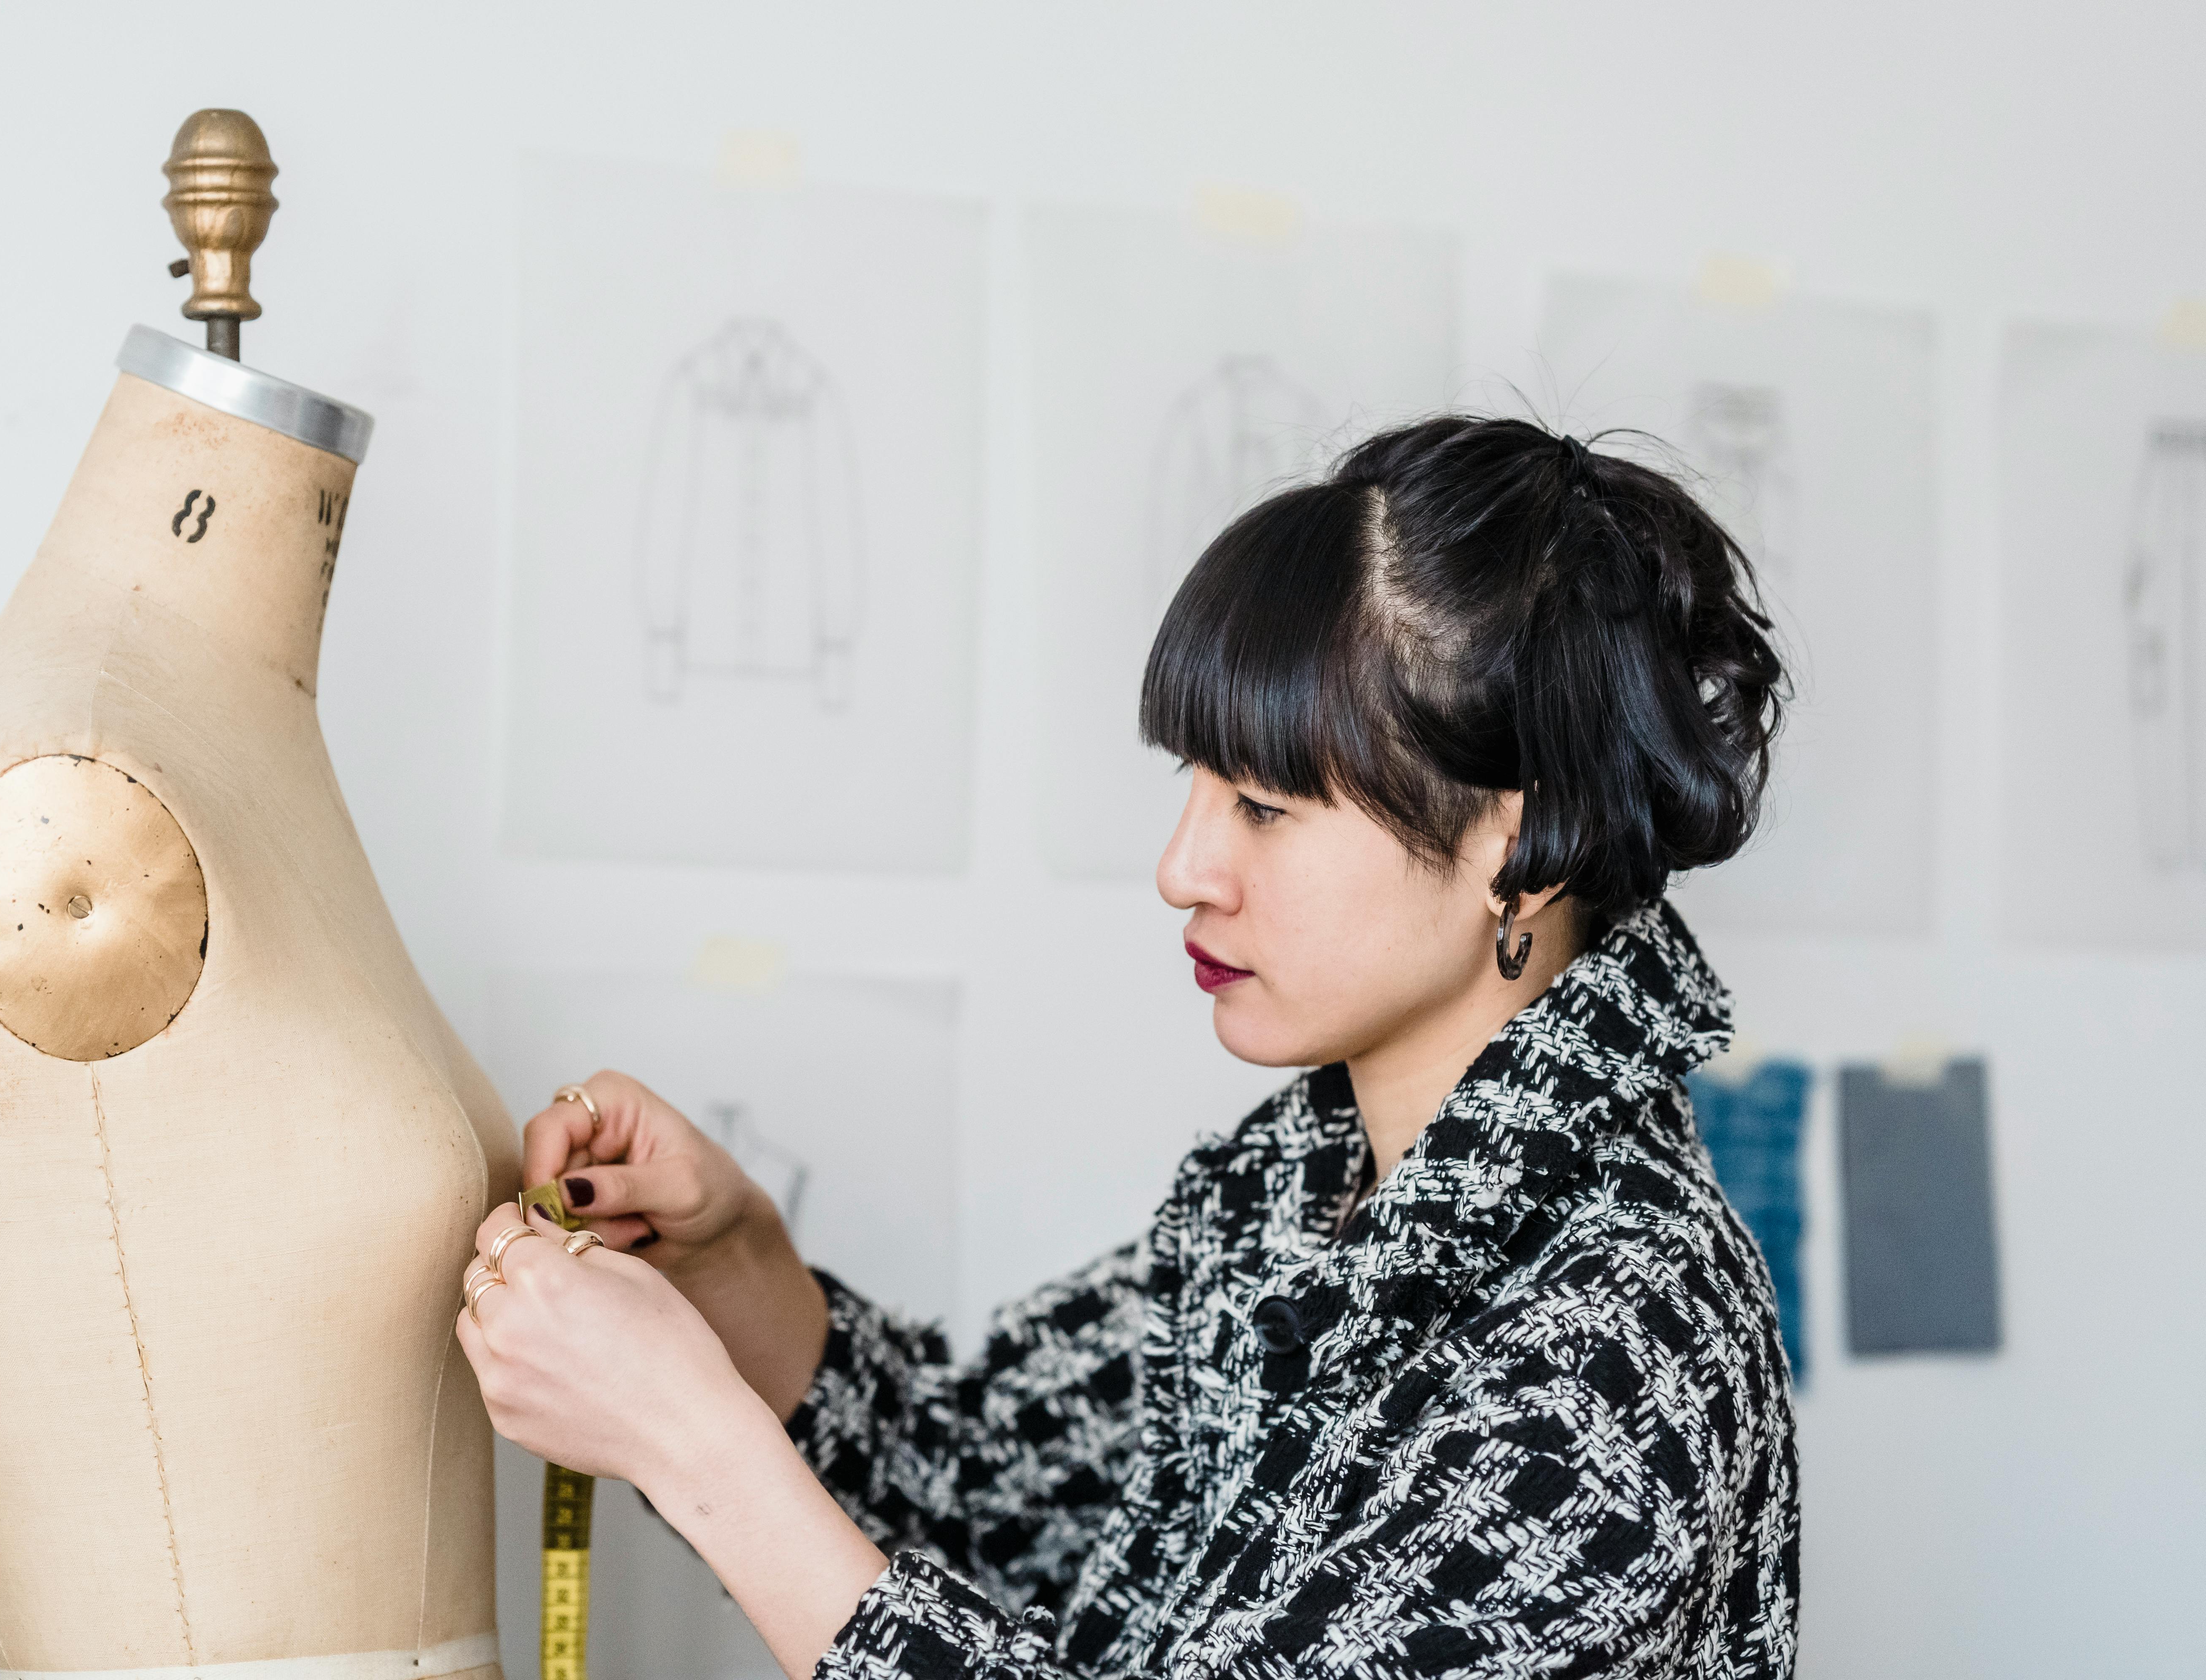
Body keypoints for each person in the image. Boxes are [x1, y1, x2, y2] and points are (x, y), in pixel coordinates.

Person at [455, 416, 1798, 1679]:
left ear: (1514, 837)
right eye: (1193, 786)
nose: (1182, 870)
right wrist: (733, 1263)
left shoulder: (1623, 1349)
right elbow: (980, 1487)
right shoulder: (1291, 1195)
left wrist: (696, 1447)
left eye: (1264, 808)